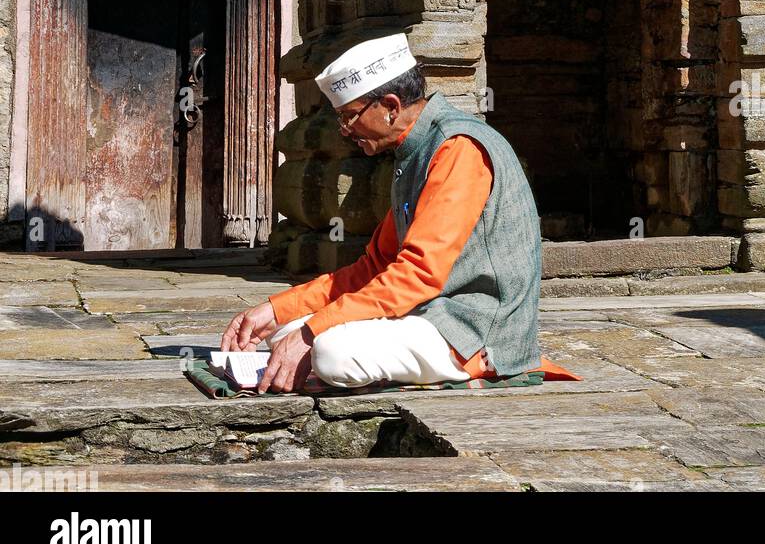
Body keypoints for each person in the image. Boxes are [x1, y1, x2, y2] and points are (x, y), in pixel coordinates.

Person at [221, 33, 575, 393]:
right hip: (427, 313)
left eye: (349, 117)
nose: (345, 131)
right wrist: (277, 309)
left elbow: (418, 275)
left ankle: (468, 366)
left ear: (390, 106)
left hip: (474, 329)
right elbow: (374, 268)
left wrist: (314, 333)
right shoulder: (413, 154)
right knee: (286, 331)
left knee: (328, 351)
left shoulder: (458, 149)